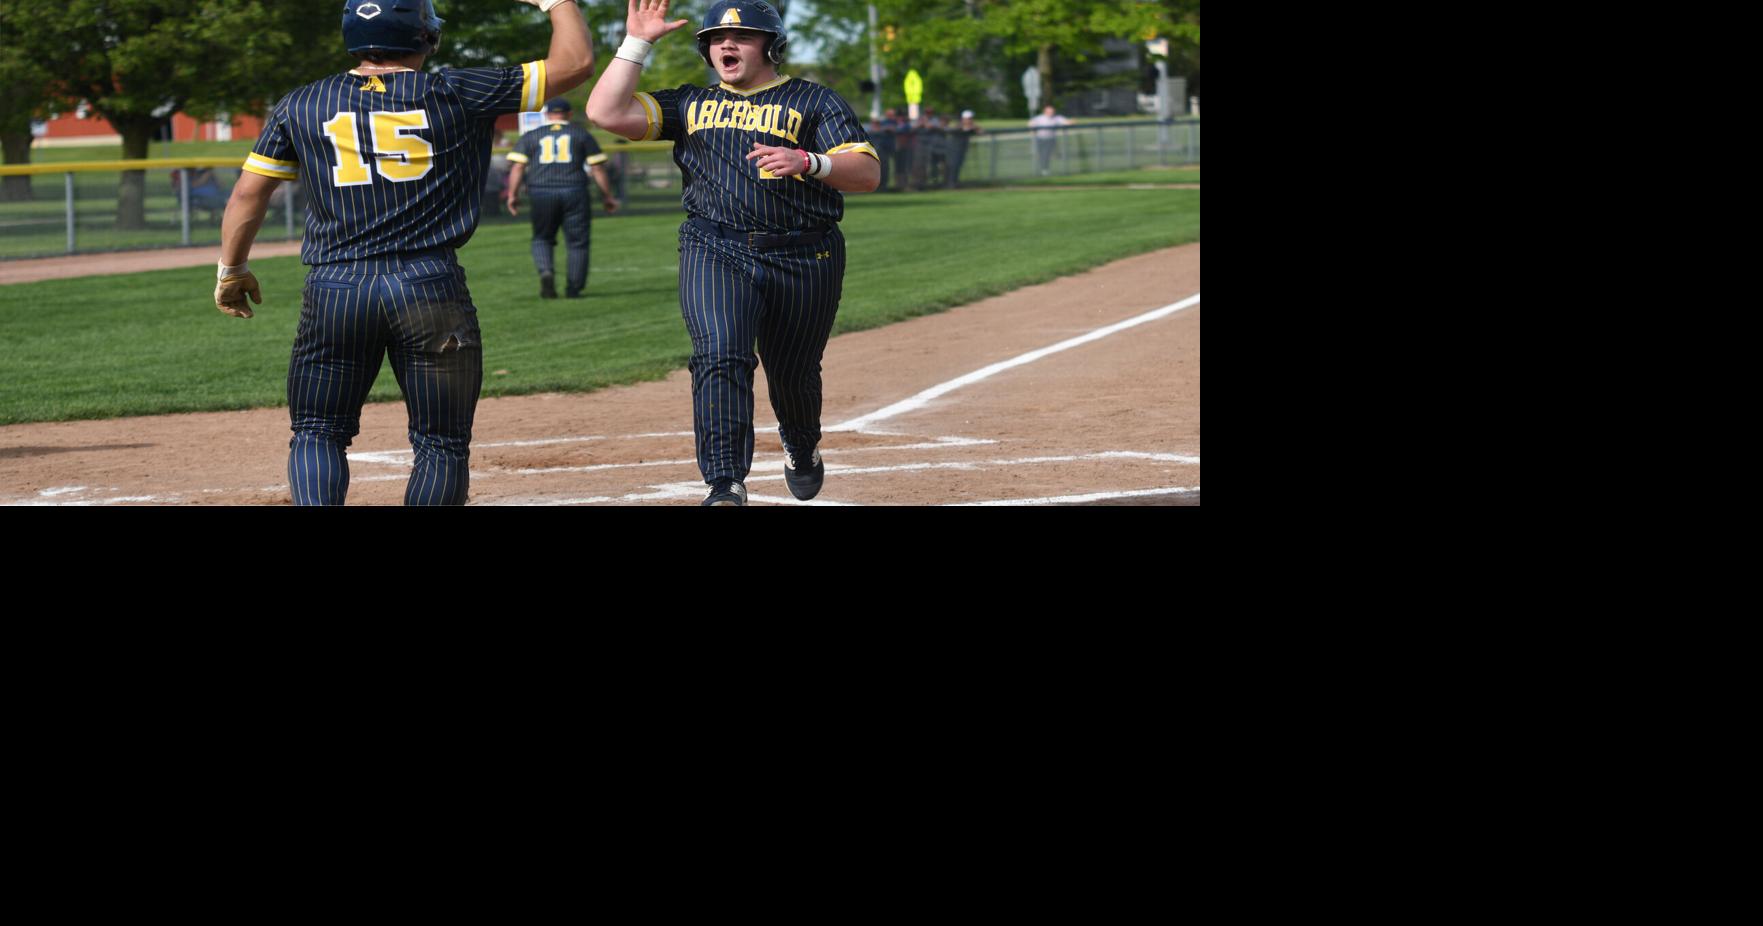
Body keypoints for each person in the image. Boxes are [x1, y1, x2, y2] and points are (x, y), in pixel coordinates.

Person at [212, 0, 594, 505]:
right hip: (427, 283)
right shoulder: (456, 90)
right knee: (441, 443)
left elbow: (247, 195)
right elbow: (575, 65)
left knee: (317, 431)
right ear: (426, 37)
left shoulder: (302, 102)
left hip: (336, 287)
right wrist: (556, 2)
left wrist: (231, 269)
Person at [588, 0, 880, 506]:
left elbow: (868, 173)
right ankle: (725, 482)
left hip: (804, 254)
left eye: (743, 36)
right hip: (715, 246)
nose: (727, 44)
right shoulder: (688, 104)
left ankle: (802, 446)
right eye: (718, 39)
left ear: (770, 44)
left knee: (793, 374)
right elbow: (605, 112)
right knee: (719, 354)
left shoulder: (814, 101)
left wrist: (810, 161)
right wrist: (638, 43)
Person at [505, 97, 620, 299]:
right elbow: (597, 168)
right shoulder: (581, 134)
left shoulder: (532, 135)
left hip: (541, 192)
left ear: (547, 114)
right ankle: (573, 288)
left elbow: (517, 167)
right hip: (574, 191)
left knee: (542, 238)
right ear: (568, 114)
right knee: (577, 242)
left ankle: (546, 271)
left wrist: (512, 194)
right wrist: (607, 196)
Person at [1029, 103, 1069, 176]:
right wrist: (1033, 131)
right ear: (1045, 111)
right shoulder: (1040, 118)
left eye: (1052, 111)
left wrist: (1070, 122)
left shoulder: (1056, 118)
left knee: (1046, 154)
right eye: (1049, 111)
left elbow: (1066, 122)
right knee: (1041, 155)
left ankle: (1045, 169)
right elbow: (1031, 124)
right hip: (1040, 139)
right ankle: (1042, 169)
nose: (1051, 113)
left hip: (1051, 139)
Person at [945, 109, 982, 188]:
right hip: (953, 149)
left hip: (961, 149)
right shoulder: (958, 125)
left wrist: (974, 127)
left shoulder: (971, 126)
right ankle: (950, 183)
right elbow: (960, 128)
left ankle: (954, 182)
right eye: (969, 118)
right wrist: (971, 127)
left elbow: (981, 132)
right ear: (963, 119)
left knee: (957, 165)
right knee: (952, 166)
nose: (970, 120)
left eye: (971, 118)